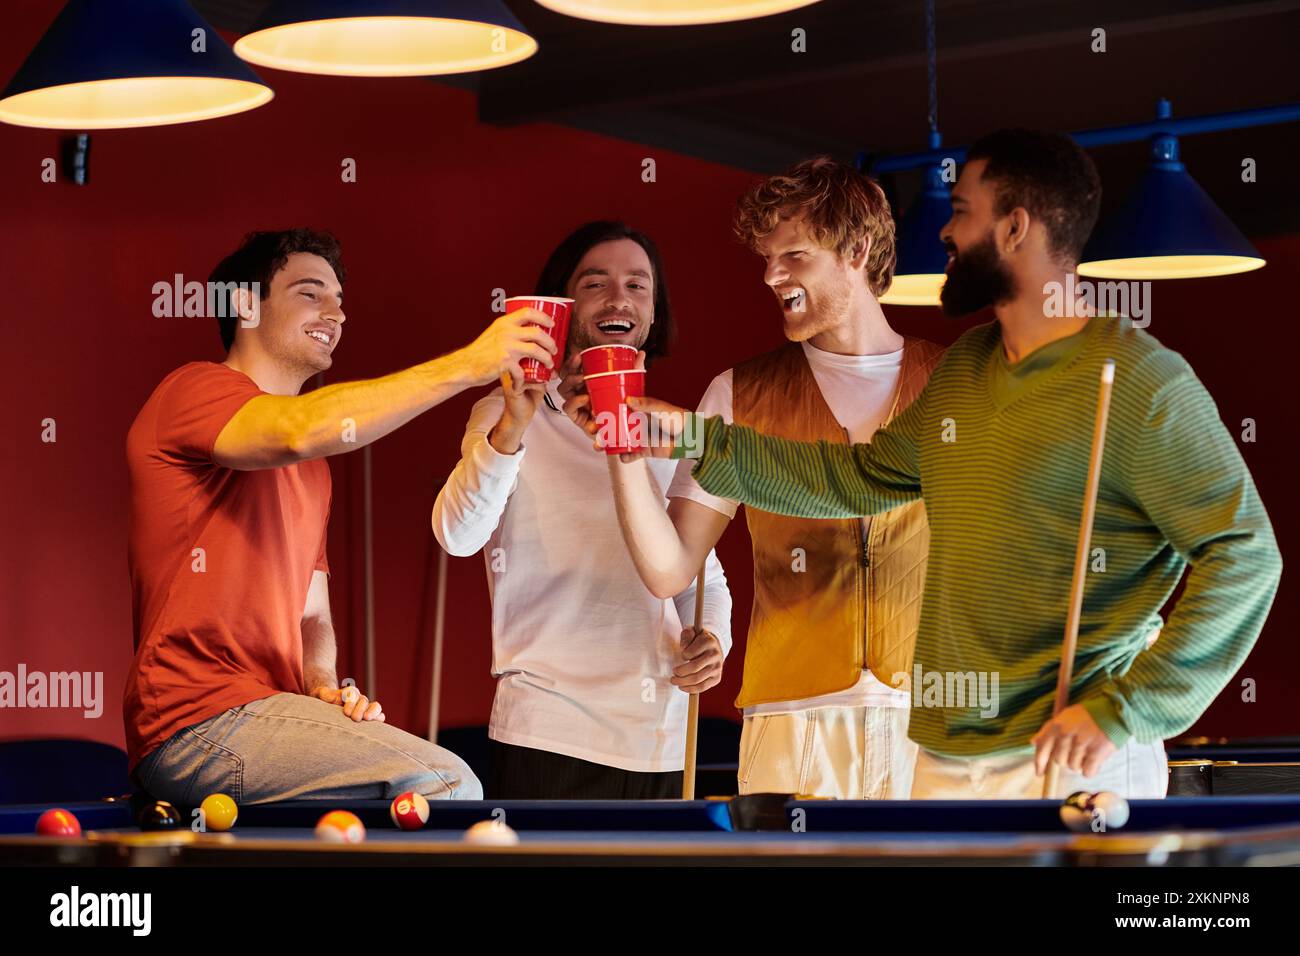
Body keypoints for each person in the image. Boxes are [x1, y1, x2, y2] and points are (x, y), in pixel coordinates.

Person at [585, 130, 1283, 800]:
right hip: (950, 745)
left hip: (1073, 745)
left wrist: (1130, 709)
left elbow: (1245, 556)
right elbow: (852, 479)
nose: (943, 234)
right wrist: (695, 438)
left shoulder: (1137, 380)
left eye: (960, 213)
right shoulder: (966, 372)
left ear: (1013, 230)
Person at [127, 228, 554, 805]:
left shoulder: (314, 467)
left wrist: (323, 688)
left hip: (272, 712)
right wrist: (469, 364)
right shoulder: (193, 390)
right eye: (310, 293)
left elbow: (312, 617)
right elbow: (298, 430)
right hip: (198, 723)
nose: (337, 312)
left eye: (339, 299)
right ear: (245, 303)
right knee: (448, 784)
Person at [571, 160, 943, 799]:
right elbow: (670, 571)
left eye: (793, 255)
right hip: (793, 724)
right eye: (767, 258)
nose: (771, 275)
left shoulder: (954, 383)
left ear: (856, 250)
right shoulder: (738, 392)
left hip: (938, 720)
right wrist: (622, 450)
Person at [433, 221, 732, 799]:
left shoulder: (670, 428)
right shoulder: (502, 413)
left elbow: (704, 576)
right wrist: (512, 429)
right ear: (561, 307)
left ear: (652, 312)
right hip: (547, 727)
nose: (620, 297)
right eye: (597, 284)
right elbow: (457, 535)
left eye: (638, 286)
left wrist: (712, 639)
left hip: (663, 736)